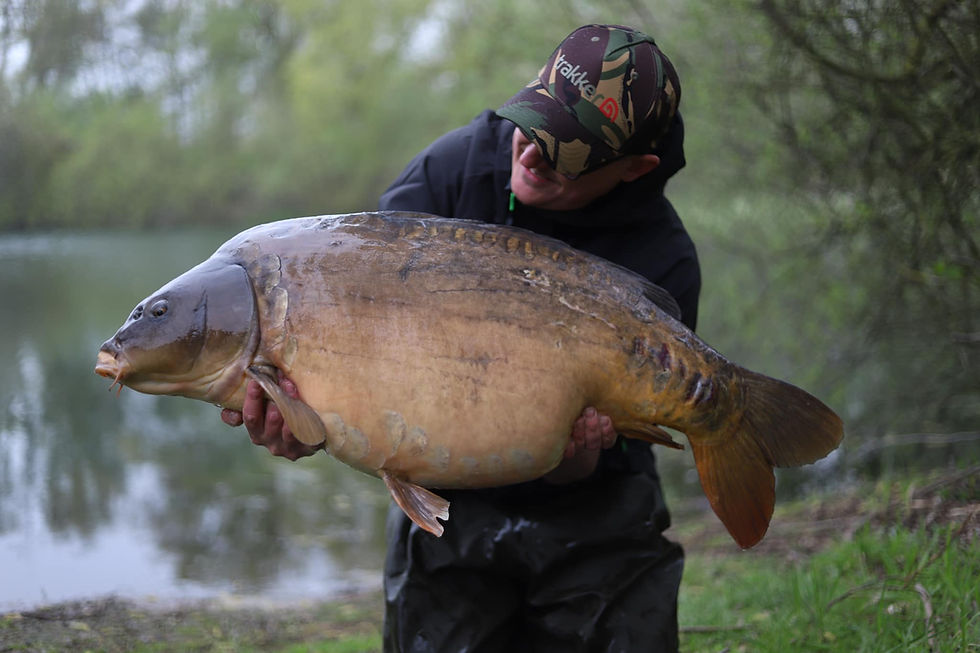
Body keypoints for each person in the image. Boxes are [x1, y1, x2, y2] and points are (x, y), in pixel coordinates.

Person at [222, 24, 700, 652]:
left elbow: (619, 451)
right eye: (533, 124)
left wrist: (579, 455)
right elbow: (356, 360)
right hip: (448, 503)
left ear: (635, 168)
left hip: (595, 508)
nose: (529, 155)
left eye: (565, 152)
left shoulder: (661, 259)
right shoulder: (449, 174)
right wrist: (305, 418)